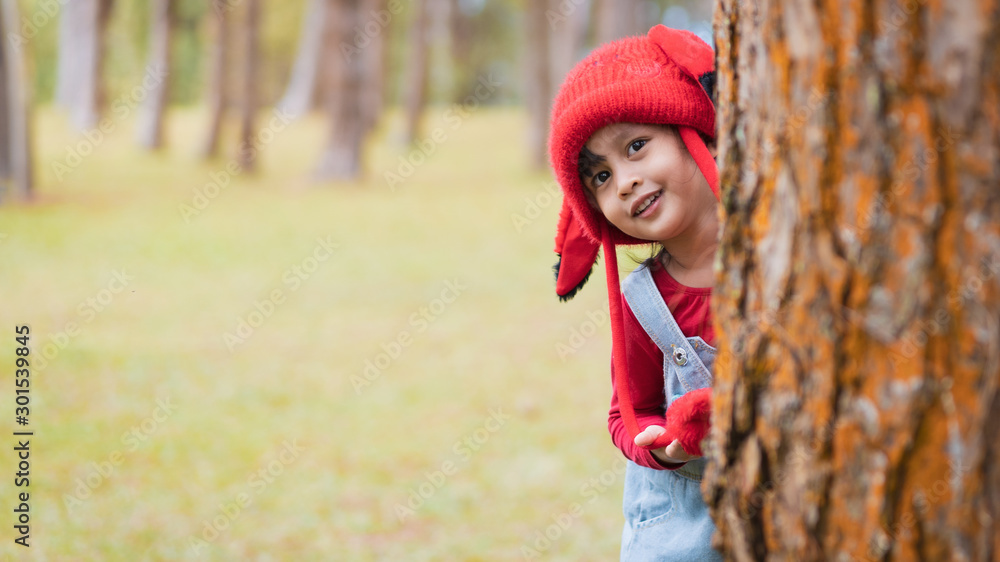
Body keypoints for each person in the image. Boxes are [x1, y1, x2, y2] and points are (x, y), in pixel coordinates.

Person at [548, 25, 723, 561]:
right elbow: (627, 413)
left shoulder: (784, 251)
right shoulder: (645, 303)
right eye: (599, 177)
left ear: (692, 130)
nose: (622, 182)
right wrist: (662, 445)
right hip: (685, 527)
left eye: (637, 146)